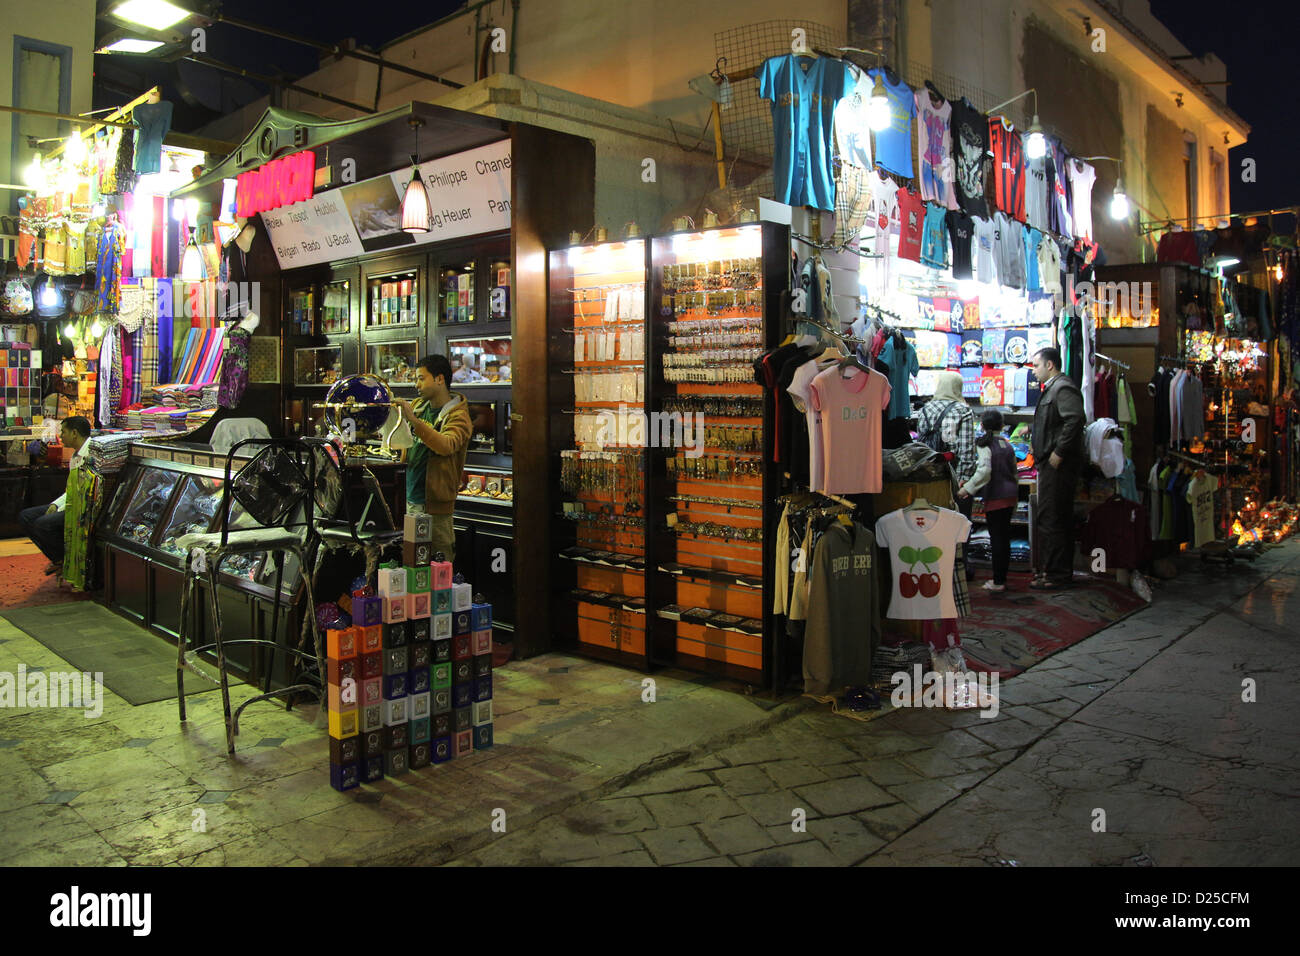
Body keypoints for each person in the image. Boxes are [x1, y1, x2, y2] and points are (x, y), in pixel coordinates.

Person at [396, 355, 471, 563]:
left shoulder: (458, 416)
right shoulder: (419, 406)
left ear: (439, 379)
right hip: (412, 502)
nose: (416, 384)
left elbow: (446, 445)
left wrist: (413, 421)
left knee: (439, 568)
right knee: (413, 567)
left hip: (437, 509)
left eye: (421, 378)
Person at [1030, 347, 1085, 589]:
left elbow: (1075, 418)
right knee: (1051, 516)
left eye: (1036, 365)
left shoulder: (1062, 388)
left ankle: (1057, 574)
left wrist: (1059, 452)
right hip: (1049, 462)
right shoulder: (1053, 388)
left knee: (1054, 517)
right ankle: (1051, 571)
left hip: (1058, 465)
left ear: (1049, 365)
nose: (1033, 371)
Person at [19, 416, 92, 575]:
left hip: (83, 507)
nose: (61, 436)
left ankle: (64, 560)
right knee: (26, 516)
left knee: (42, 523)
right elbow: (72, 489)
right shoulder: (75, 457)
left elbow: (84, 492)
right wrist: (55, 505)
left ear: (74, 433)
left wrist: (60, 507)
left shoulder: (91, 455)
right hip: (71, 502)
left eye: (63, 432)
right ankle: (61, 559)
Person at [957, 410, 1019, 591]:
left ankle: (998, 582)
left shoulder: (985, 445)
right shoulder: (1007, 445)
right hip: (1010, 495)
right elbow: (1014, 472)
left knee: (997, 539)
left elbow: (984, 472)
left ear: (982, 425)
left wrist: (966, 489)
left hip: (997, 496)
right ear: (1002, 425)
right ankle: (1002, 577)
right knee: (1004, 538)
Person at [915, 369, 979, 516]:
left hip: (929, 475)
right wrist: (965, 477)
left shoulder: (925, 410)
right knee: (958, 525)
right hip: (953, 475)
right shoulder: (962, 410)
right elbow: (966, 447)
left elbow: (920, 442)